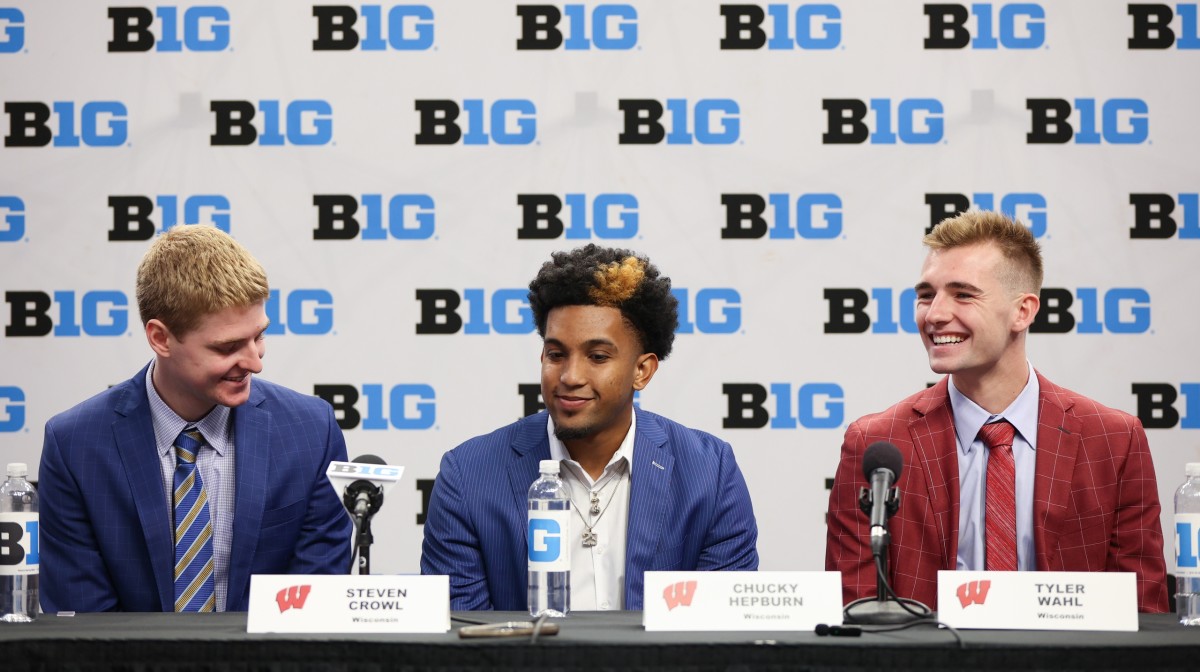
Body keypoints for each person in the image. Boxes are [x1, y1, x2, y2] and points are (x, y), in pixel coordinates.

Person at [825, 210, 1168, 612]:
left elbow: (1143, 613)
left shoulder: (1113, 440)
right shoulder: (876, 442)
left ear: (1023, 311)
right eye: (925, 295)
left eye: (963, 294)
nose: (934, 314)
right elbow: (853, 613)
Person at [421, 244, 759, 610]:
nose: (570, 376)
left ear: (642, 370)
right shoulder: (468, 475)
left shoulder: (709, 473)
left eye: (597, 357)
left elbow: (721, 633)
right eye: (556, 354)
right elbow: (462, 638)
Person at [38, 225, 352, 612]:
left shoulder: (310, 431)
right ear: (161, 338)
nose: (255, 362)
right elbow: (85, 628)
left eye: (259, 337)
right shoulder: (75, 446)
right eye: (227, 347)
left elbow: (313, 610)